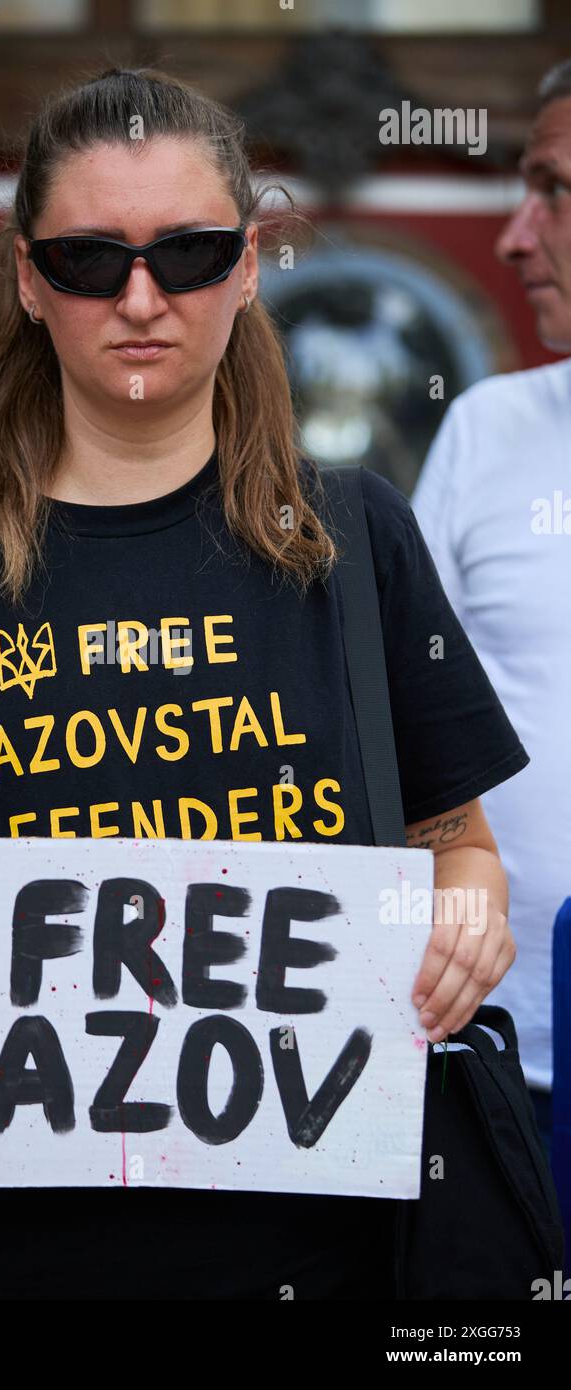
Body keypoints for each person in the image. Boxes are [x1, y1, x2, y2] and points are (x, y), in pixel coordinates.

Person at [0, 67, 529, 1301]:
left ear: (247, 264)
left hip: (303, 1253)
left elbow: (457, 843)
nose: (138, 297)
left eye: (186, 252)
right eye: (86, 259)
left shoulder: (352, 537)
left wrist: (467, 927)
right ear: (25, 278)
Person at [412, 59, 571, 1158]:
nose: (515, 238)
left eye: (552, 190)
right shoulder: (483, 428)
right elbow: (400, 721)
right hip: (495, 1056)